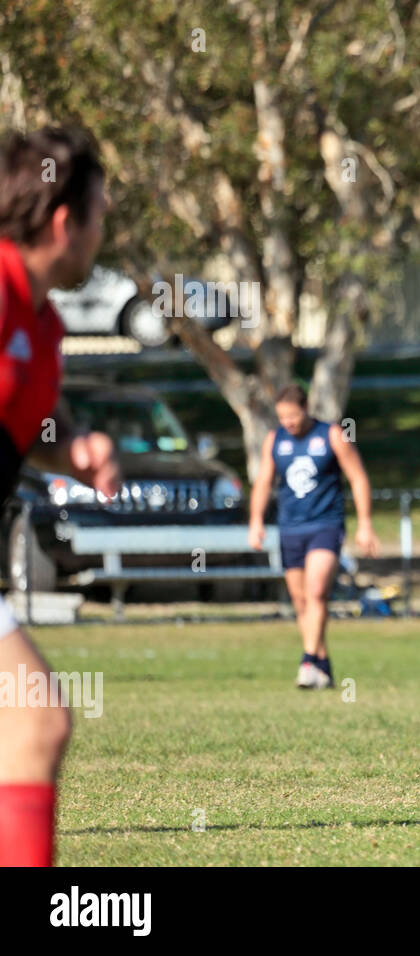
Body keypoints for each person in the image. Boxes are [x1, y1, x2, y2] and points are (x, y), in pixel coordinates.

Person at [0, 127, 119, 865]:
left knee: (35, 722)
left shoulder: (41, 323)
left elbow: (29, 422)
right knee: (35, 721)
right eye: (101, 214)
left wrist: (72, 449)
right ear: (65, 221)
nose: (104, 233)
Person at [248, 385, 379, 689]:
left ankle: (307, 660)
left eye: (293, 416)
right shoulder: (274, 440)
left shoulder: (332, 435)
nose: (288, 423)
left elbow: (358, 478)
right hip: (290, 528)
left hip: (325, 525)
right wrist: (256, 521)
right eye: (282, 418)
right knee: (300, 600)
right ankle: (323, 665)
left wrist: (365, 523)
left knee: (317, 591)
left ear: (306, 409)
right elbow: (264, 483)